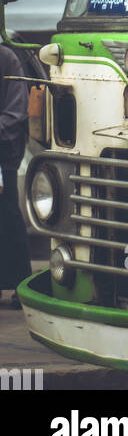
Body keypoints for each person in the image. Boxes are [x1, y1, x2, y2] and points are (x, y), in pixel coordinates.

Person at [0, 42, 32, 307]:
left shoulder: (6, 58)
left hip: (4, 153)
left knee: (9, 216)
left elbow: (16, 112)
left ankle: (21, 286)